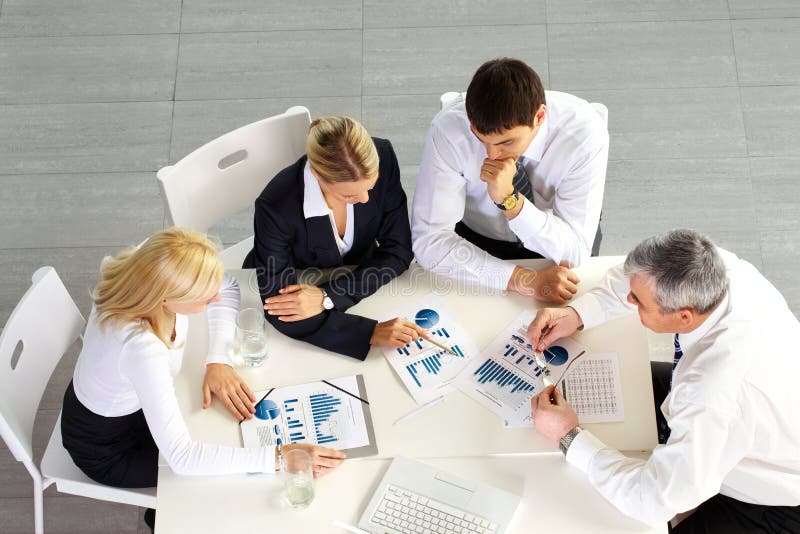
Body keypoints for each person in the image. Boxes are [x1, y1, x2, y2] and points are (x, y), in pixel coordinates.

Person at [61, 229, 345, 528]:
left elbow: (229, 284)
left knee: (224, 439)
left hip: (132, 405)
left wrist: (218, 360)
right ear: (167, 299)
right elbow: (183, 459)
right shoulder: (141, 348)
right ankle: (165, 516)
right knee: (237, 477)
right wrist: (279, 457)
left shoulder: (151, 262)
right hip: (109, 448)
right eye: (205, 298)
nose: (217, 296)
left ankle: (163, 510)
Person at [527, 229, 800, 532]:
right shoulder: (721, 269)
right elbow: (636, 278)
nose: (629, 300)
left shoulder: (711, 396)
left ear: (684, 317)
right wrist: (577, 313)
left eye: (639, 303)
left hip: (774, 496)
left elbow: (654, 499)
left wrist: (569, 437)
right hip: (760, 415)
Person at [412, 58, 609, 304]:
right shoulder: (449, 129)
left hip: (556, 240)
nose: (491, 156)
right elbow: (429, 241)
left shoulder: (583, 134)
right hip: (476, 241)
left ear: (539, 116)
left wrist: (511, 202)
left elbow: (574, 250)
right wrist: (524, 280)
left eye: (506, 142)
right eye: (481, 139)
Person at [252, 116, 426, 360]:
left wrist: (327, 297)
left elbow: (398, 251)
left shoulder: (384, 156)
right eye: (349, 195)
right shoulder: (275, 207)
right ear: (317, 176)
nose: (366, 199)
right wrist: (368, 332)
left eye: (371, 186)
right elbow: (281, 309)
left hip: (353, 276)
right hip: (298, 275)